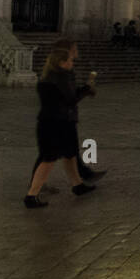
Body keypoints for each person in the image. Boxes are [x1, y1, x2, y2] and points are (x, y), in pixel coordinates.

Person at [23, 44, 97, 208]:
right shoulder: (60, 78)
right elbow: (70, 100)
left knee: (70, 154)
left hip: (54, 121)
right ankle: (32, 195)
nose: (72, 63)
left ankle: (77, 185)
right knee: (49, 159)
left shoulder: (48, 76)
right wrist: (86, 89)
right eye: (70, 60)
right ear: (61, 62)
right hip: (58, 123)